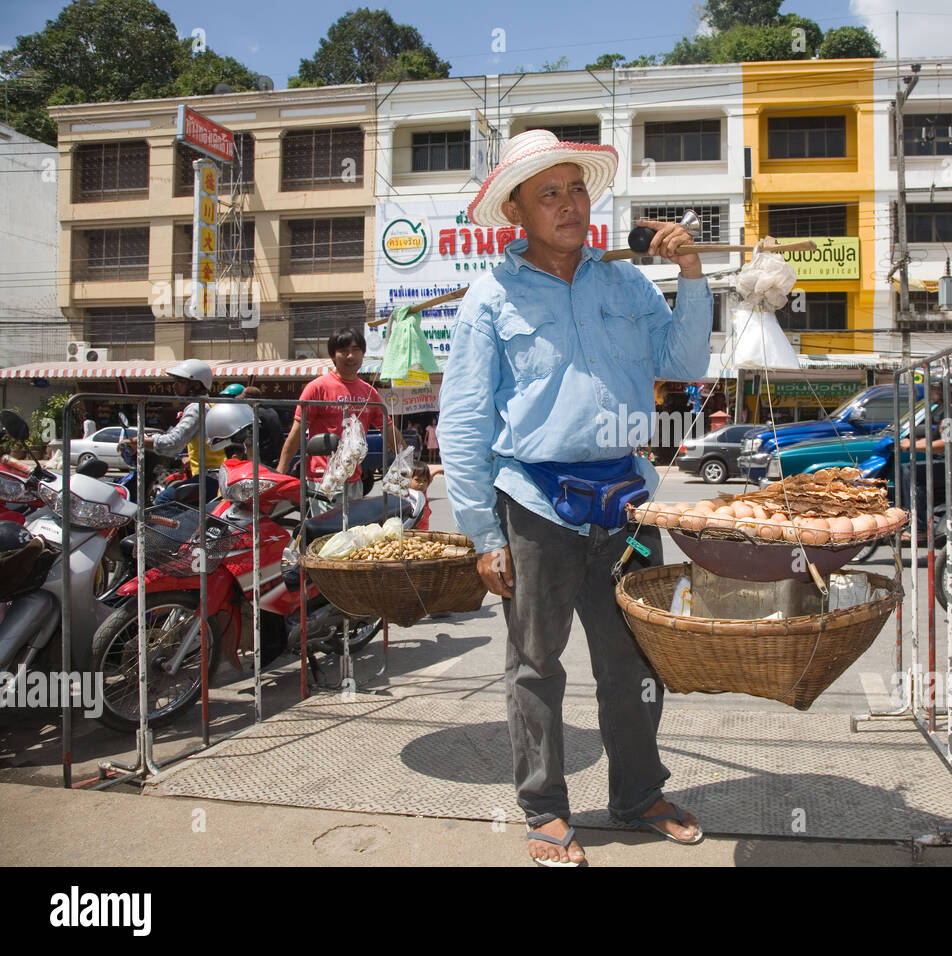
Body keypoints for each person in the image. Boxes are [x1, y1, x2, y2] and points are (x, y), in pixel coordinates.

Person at [438, 129, 709, 866]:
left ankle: (638, 794)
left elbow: (684, 362)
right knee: (536, 664)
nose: (567, 204)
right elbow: (463, 422)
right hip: (534, 501)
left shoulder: (623, 283)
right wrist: (482, 535)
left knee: (636, 662)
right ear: (518, 212)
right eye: (548, 193)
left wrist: (689, 271)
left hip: (625, 501)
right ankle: (546, 810)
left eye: (575, 189)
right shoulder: (490, 299)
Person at [276, 327, 401, 512]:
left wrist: (407, 457)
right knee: (327, 537)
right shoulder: (317, 388)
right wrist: (280, 473)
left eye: (356, 350)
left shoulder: (369, 392)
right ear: (334, 356)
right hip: (323, 481)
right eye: (344, 351)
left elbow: (388, 428)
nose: (350, 356)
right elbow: (297, 433)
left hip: (354, 480)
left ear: (363, 354)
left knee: (353, 536)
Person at [125, 359, 226, 504]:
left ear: (196, 385)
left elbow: (173, 442)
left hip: (209, 477)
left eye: (180, 382)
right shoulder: (209, 404)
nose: (174, 386)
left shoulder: (197, 408)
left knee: (163, 500)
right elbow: (185, 437)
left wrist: (137, 442)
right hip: (215, 474)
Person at [896, 374, 952, 535]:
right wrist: (908, 443)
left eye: (934, 390)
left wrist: (912, 446)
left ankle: (920, 526)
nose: (932, 394)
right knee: (906, 468)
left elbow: (945, 443)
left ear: (944, 391)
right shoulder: (946, 412)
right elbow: (933, 438)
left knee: (912, 472)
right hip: (948, 462)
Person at [238, 386, 284, 468]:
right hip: (278, 459)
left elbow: (250, 446)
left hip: (264, 462)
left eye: (243, 400)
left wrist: (251, 470)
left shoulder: (253, 414)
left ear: (250, 400)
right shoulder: (271, 411)